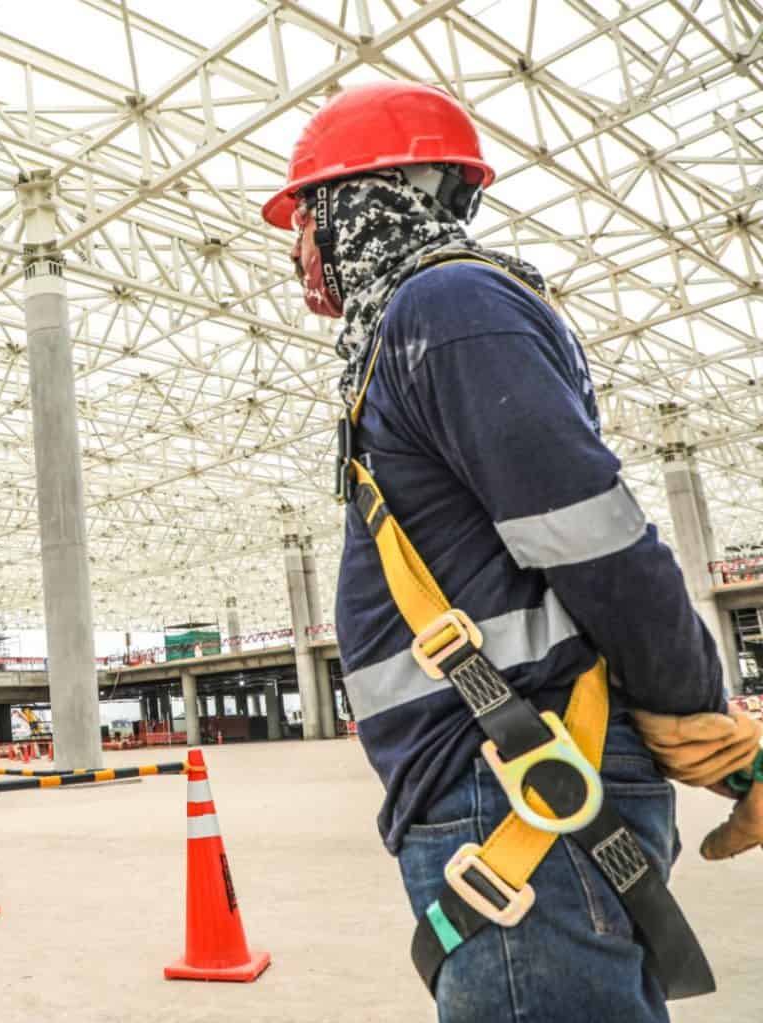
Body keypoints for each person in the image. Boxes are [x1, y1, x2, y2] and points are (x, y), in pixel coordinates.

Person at [263, 81, 762, 1021]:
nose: (299, 250)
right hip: (489, 777)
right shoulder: (408, 331)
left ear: (370, 199)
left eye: (306, 215)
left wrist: (698, 713)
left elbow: (594, 538)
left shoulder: (448, 307)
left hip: (520, 780)